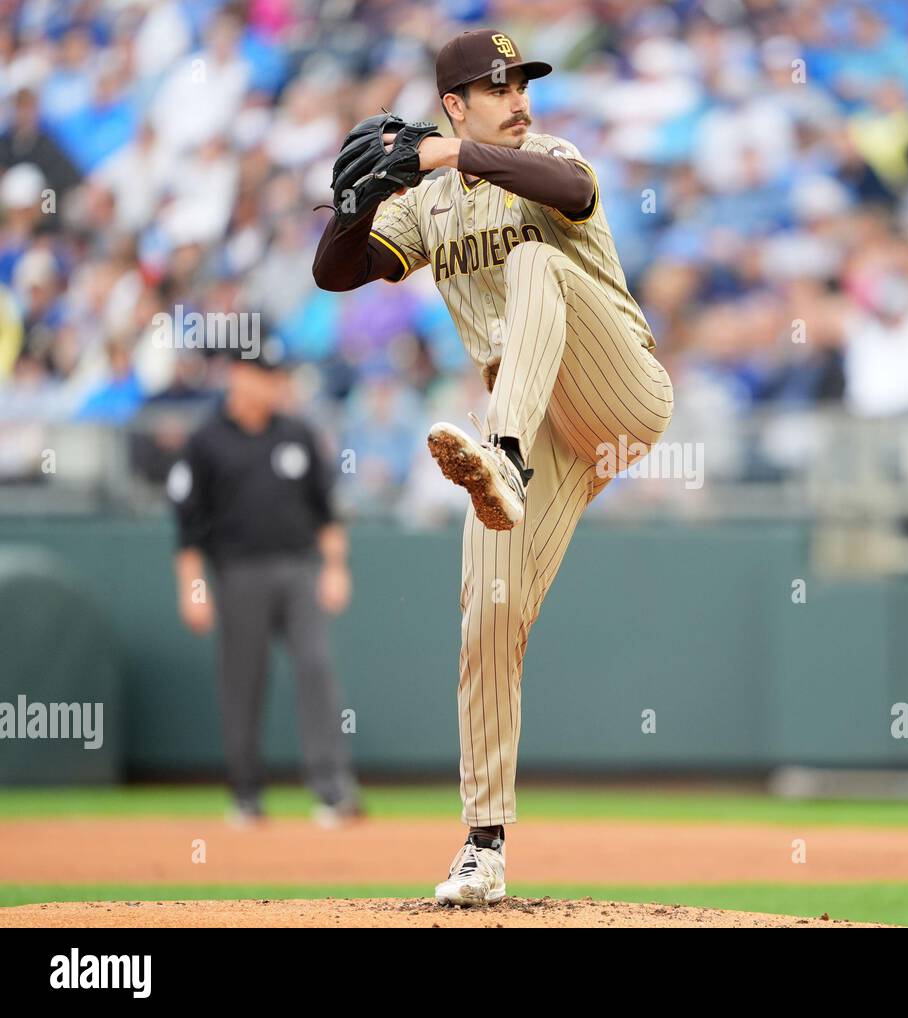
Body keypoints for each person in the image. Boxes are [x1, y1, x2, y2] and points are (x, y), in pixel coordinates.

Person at [314, 29, 673, 905]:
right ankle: (484, 848)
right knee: (488, 618)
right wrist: (362, 199)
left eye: (520, 82)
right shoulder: (433, 204)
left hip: (616, 388)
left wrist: (445, 150)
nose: (517, 98)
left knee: (537, 261)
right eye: (494, 85)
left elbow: (575, 189)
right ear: (453, 100)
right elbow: (336, 272)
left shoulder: (541, 154)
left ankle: (502, 458)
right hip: (536, 419)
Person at [169, 345, 362, 828]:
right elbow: (188, 529)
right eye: (263, 374)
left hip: (299, 570)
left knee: (317, 670)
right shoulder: (207, 442)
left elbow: (326, 510)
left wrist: (336, 567)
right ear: (237, 376)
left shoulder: (296, 433)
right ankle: (246, 794)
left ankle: (332, 790)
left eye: (277, 375)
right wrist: (193, 590)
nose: (274, 383)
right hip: (238, 573)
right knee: (242, 683)